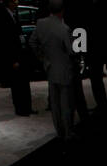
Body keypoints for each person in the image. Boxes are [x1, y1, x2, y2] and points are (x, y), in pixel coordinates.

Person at [32, 0, 76, 140]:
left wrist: (42, 57)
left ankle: (59, 131)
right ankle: (68, 132)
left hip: (50, 67)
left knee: (55, 104)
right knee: (66, 104)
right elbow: (71, 51)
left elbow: (32, 42)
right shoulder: (64, 29)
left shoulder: (41, 23)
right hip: (64, 69)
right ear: (62, 11)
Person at [0, 0, 33, 115]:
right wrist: (13, 59)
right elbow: (6, 41)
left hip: (21, 53)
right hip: (14, 55)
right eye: (14, 1)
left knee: (23, 82)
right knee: (17, 84)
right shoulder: (3, 16)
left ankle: (27, 107)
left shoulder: (14, 15)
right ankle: (20, 108)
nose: (16, 3)